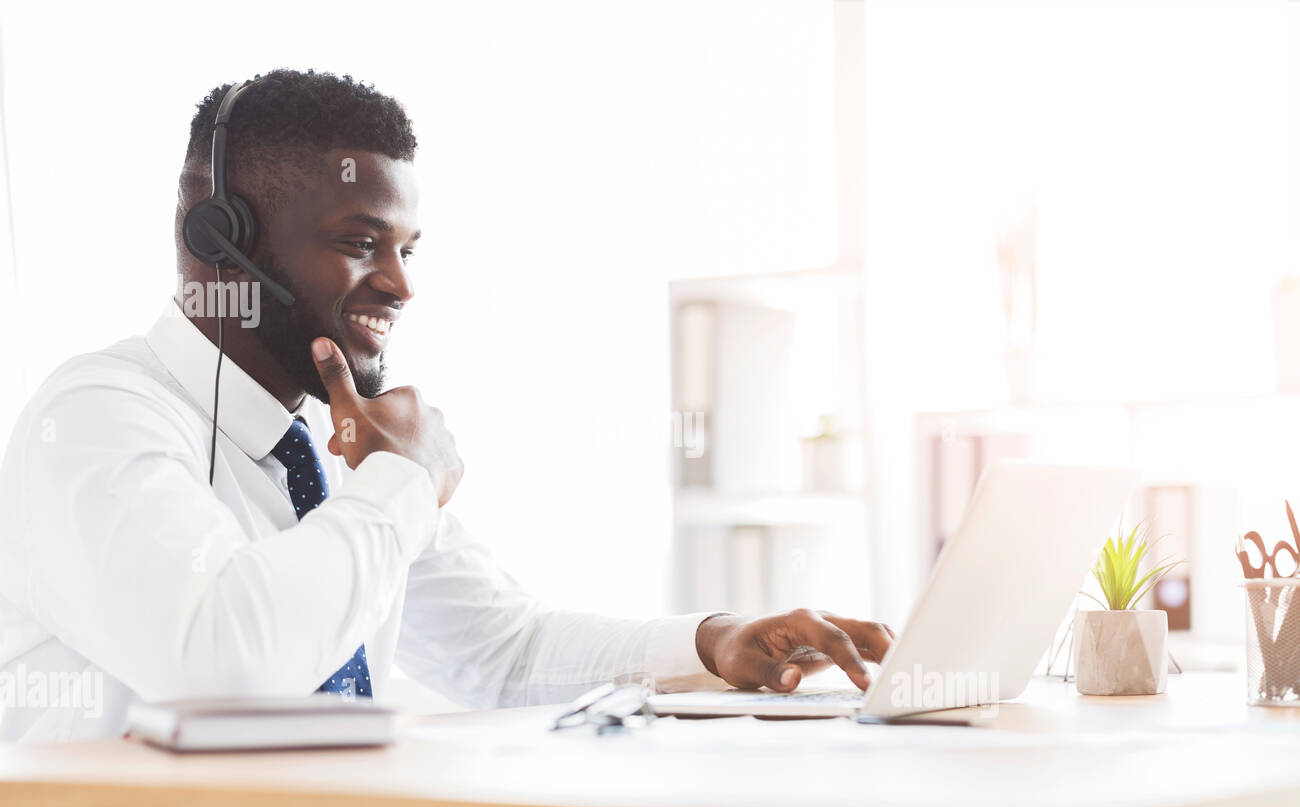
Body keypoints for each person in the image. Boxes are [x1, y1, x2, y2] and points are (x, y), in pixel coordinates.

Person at [0, 69, 894, 742]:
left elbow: (506, 653)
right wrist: (399, 480)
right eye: (361, 243)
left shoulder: (327, 447)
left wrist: (713, 643)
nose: (399, 284)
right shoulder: (95, 419)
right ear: (219, 246)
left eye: (407, 248)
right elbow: (223, 665)